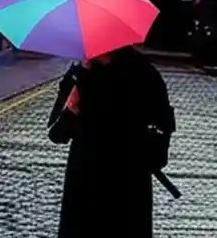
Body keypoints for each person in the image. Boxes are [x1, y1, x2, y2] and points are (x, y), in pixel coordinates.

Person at [47, 46, 176, 238]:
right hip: (103, 186)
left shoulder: (140, 73)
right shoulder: (80, 75)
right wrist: (72, 107)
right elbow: (57, 134)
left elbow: (163, 128)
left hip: (117, 186)